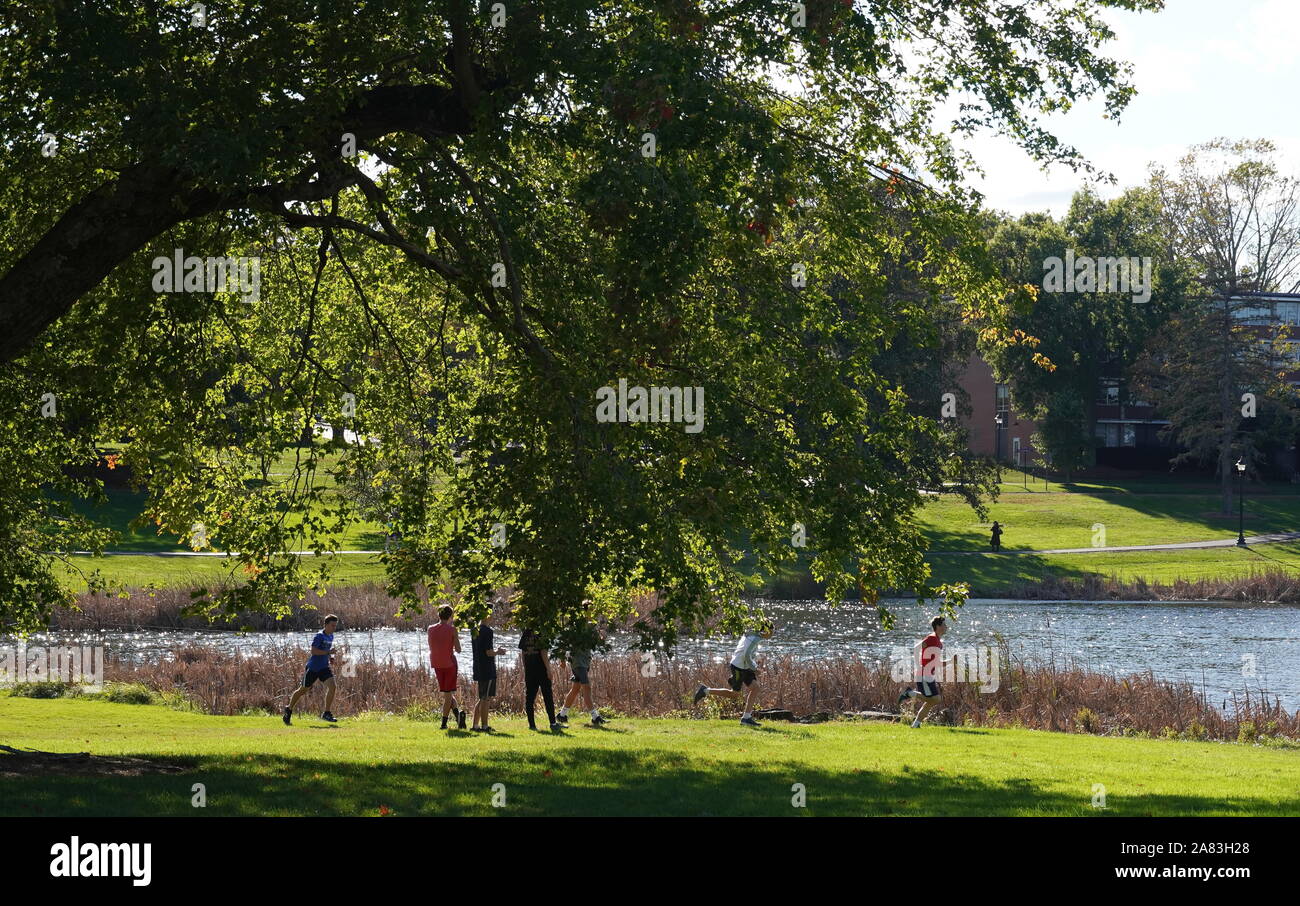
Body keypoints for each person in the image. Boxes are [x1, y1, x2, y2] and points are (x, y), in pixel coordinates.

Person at [694, 619, 773, 727]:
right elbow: (746, 655)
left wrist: (752, 667)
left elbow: (747, 655)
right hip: (738, 667)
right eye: (772, 631)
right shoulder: (755, 638)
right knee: (734, 694)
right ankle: (705, 691)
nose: (772, 633)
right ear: (766, 630)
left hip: (745, 667)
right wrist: (754, 668)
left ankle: (746, 718)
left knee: (755, 688)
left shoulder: (753, 635)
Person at [283, 614, 340, 725]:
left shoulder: (331, 636)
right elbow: (313, 651)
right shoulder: (319, 636)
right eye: (332, 626)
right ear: (326, 625)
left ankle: (326, 713)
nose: (334, 628)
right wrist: (329, 652)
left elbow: (326, 650)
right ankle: (289, 709)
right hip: (313, 668)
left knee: (333, 686)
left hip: (324, 667)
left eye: (335, 626)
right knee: (302, 690)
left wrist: (330, 658)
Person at [897, 616, 950, 728]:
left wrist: (950, 661)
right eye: (944, 625)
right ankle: (909, 693)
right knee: (936, 699)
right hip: (923, 674)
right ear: (938, 626)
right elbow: (916, 648)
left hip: (929, 675)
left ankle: (916, 724)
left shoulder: (939, 643)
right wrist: (918, 665)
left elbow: (937, 662)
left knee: (931, 702)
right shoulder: (931, 638)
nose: (946, 627)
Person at [558, 613, 608, 726]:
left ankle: (562, 715)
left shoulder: (592, 627)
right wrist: (562, 660)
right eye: (587, 610)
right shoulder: (574, 627)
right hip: (577, 662)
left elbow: (598, 643)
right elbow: (564, 643)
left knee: (575, 689)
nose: (590, 613)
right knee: (587, 687)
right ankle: (595, 717)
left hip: (586, 661)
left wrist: (602, 637)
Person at [518, 624, 563, 732]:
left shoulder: (526, 632)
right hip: (541, 669)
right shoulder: (542, 631)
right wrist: (549, 669)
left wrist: (525, 668)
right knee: (548, 696)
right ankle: (552, 723)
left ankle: (532, 725)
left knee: (529, 698)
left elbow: (523, 653)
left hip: (530, 670)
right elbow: (543, 652)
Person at [470, 601, 507, 732]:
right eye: (492, 612)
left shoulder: (474, 630)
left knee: (482, 697)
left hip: (478, 667)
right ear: (488, 614)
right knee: (485, 699)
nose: (493, 615)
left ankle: (475, 725)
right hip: (487, 668)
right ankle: (484, 726)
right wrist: (499, 652)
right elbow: (488, 652)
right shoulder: (487, 631)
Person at [428, 605, 466, 730]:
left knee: (447, 694)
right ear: (450, 616)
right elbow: (459, 650)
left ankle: (459, 718)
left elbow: (431, 645)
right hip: (449, 664)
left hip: (437, 663)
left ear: (438, 615)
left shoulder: (430, 629)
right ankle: (444, 724)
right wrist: (457, 640)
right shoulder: (452, 629)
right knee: (448, 695)